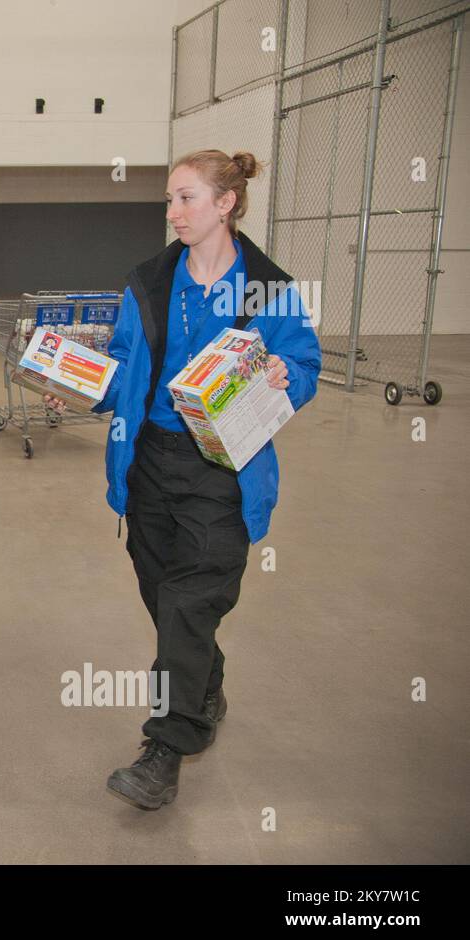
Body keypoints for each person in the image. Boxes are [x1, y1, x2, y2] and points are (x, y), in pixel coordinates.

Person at [48, 150, 320, 809]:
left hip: (223, 466)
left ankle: (167, 746)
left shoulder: (268, 290)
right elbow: (121, 371)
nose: (173, 213)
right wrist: (75, 386)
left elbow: (302, 364)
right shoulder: (148, 281)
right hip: (150, 464)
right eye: (169, 201)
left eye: (186, 199)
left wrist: (287, 375)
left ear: (226, 203)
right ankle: (205, 677)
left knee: (189, 603)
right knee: (162, 595)